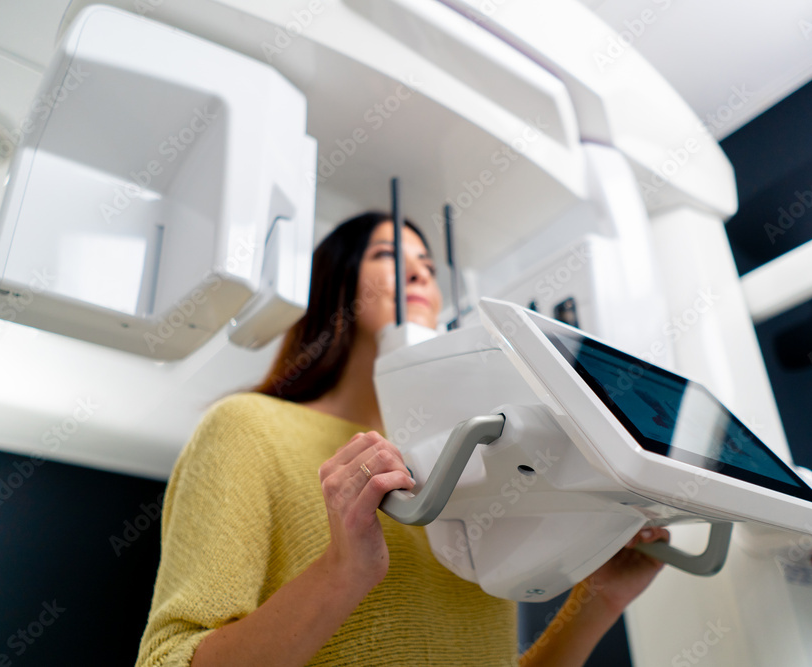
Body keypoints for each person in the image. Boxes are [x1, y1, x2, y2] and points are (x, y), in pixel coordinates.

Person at [135, 211, 670, 667]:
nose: (417, 273)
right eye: (389, 257)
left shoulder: (478, 449)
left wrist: (598, 600)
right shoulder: (247, 428)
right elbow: (170, 658)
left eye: (430, 269)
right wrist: (343, 572)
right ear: (335, 285)